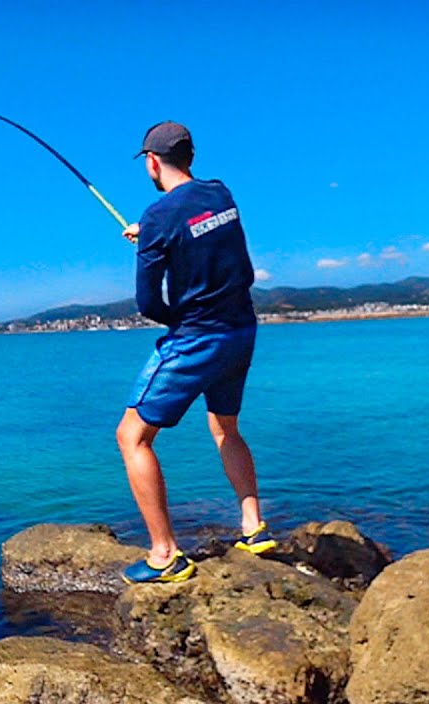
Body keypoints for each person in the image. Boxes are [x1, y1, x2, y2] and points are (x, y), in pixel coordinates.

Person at [117, 121, 274, 585]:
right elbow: (195, 227)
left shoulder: (158, 218)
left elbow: (148, 303)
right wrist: (149, 233)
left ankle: (165, 555)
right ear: (190, 156)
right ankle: (253, 527)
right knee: (226, 428)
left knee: (132, 437)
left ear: (151, 161)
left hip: (199, 336)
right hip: (241, 329)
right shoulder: (221, 193)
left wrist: (146, 242)